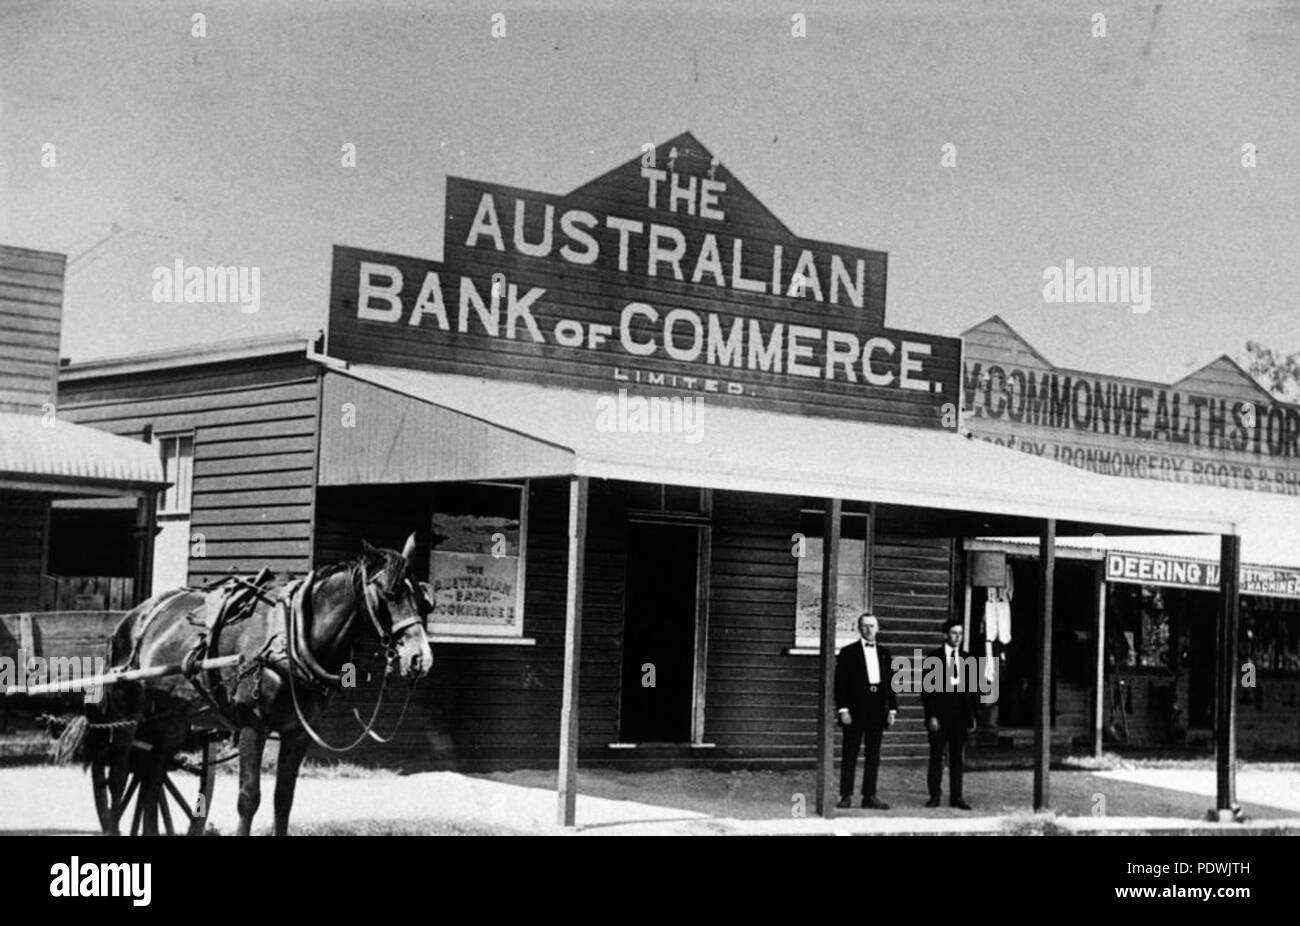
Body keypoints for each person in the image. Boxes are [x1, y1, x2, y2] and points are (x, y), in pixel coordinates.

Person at [834, 613, 898, 809]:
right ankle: (846, 795)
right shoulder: (848, 652)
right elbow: (840, 684)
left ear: (877, 628)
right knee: (850, 753)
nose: (869, 630)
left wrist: (892, 710)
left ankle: (869, 796)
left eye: (872, 626)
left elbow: (891, 683)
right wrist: (843, 710)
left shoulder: (885, 653)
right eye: (865, 626)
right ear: (859, 628)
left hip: (877, 707)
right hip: (856, 707)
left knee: (873, 755)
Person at [922, 619, 976, 809]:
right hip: (940, 716)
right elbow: (927, 693)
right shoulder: (933, 659)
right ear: (945, 635)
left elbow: (972, 691)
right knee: (936, 757)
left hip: (959, 717)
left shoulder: (968, 659)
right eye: (954, 633)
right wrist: (932, 716)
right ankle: (934, 795)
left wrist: (971, 717)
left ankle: (957, 797)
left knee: (957, 759)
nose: (958, 637)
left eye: (960, 633)